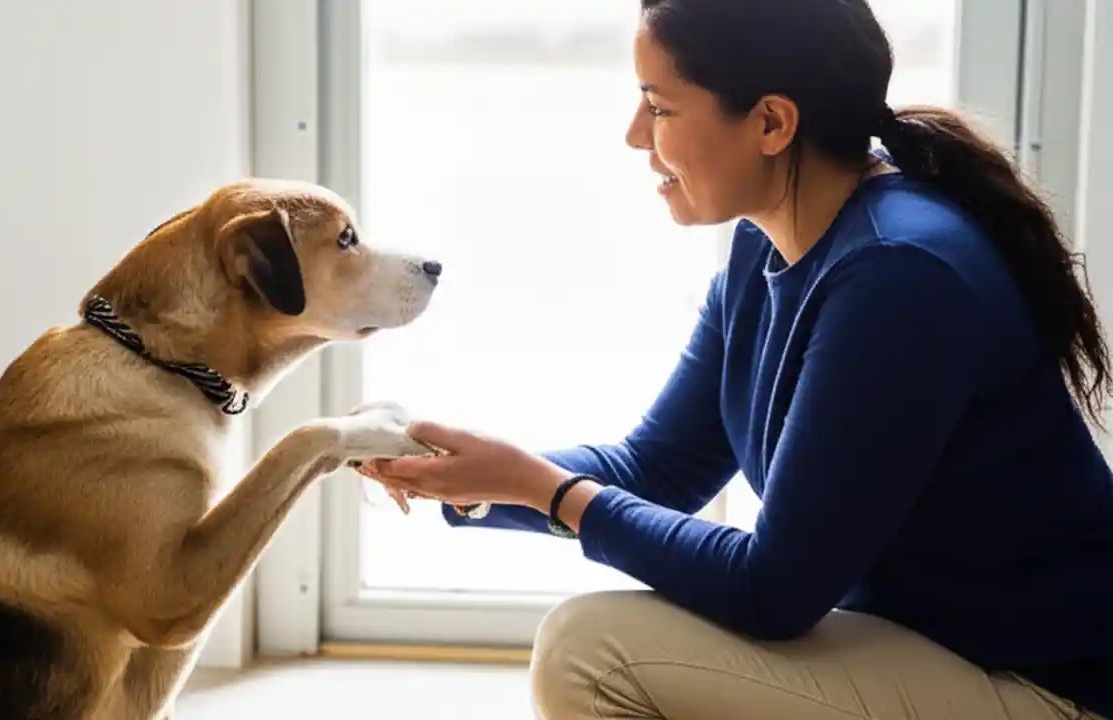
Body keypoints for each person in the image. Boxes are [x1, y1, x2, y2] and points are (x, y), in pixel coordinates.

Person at [359, 0, 1113, 718]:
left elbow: (771, 591)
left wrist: (548, 491)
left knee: (588, 652)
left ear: (772, 122)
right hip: (933, 646)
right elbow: (660, 468)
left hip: (1046, 686)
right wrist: (461, 475)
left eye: (658, 107)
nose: (632, 135)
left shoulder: (898, 276)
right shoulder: (772, 242)